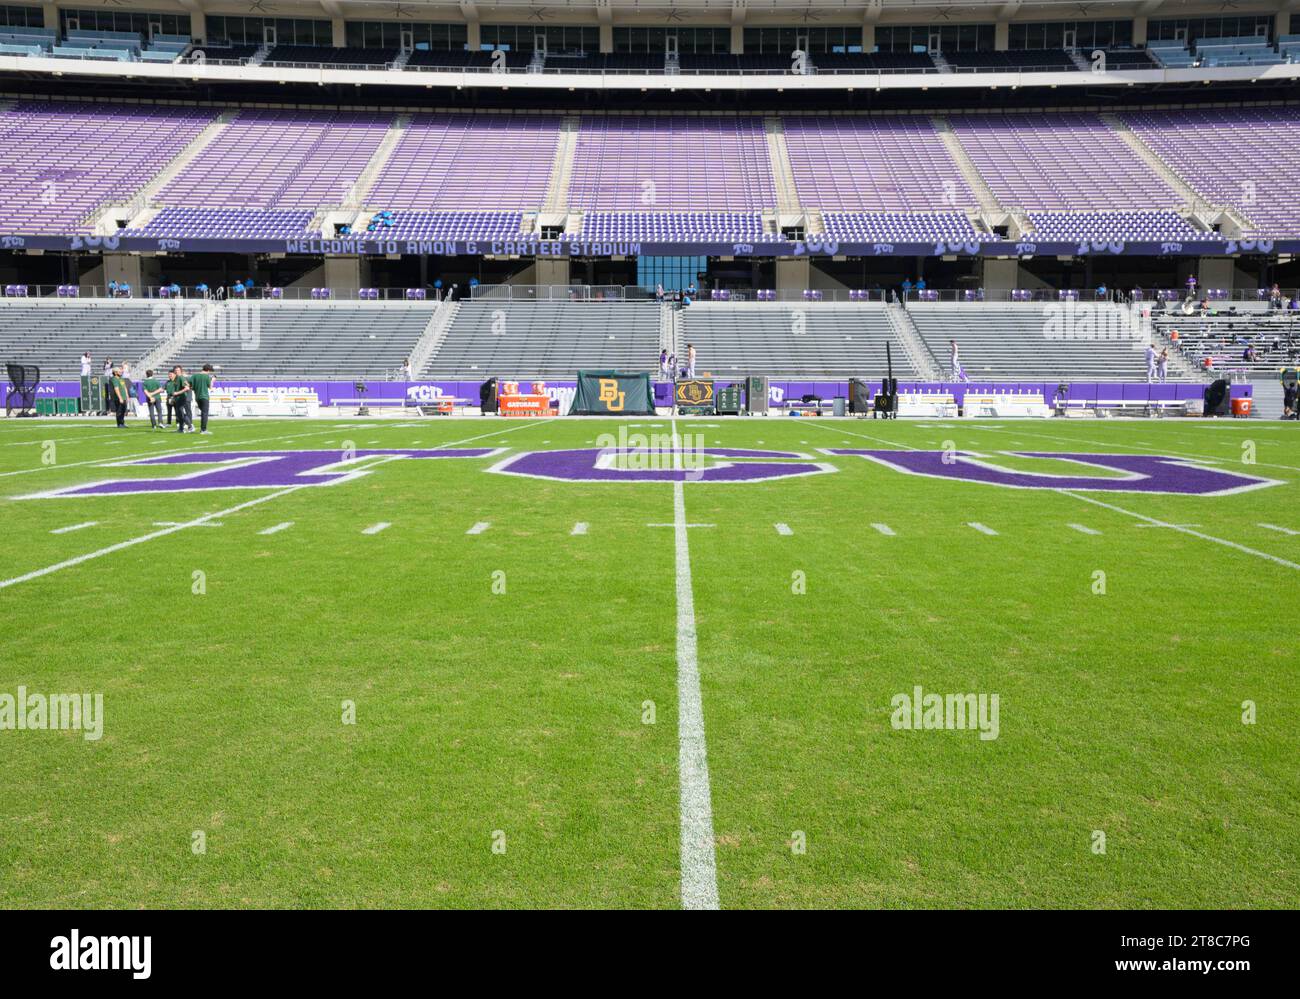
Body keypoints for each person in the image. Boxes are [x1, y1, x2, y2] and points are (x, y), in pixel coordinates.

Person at [189, 363, 214, 434]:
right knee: (204, 413)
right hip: (204, 397)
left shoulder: (194, 376)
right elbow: (210, 387)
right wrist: (212, 380)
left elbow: (190, 385)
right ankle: (203, 430)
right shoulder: (206, 376)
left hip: (197, 397)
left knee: (203, 412)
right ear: (208, 370)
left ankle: (202, 429)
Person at [168, 365, 193, 434]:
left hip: (182, 398)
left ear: (181, 371)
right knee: (179, 414)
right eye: (175, 371)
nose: (176, 372)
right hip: (178, 398)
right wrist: (173, 397)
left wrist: (177, 393)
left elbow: (187, 388)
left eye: (178, 370)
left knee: (181, 413)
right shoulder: (177, 378)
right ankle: (181, 429)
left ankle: (190, 426)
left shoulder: (181, 378)